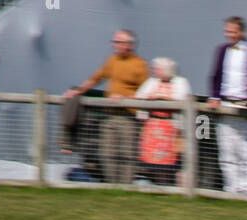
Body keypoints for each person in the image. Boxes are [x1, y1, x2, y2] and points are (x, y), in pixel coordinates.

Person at [64, 30, 149, 185]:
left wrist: (125, 99)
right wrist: (78, 90)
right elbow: (96, 78)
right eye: (114, 42)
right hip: (110, 115)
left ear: (129, 45)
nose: (114, 45)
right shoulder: (112, 60)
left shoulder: (140, 65)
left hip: (128, 118)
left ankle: (126, 187)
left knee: (126, 154)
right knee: (107, 152)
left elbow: (146, 92)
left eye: (118, 42)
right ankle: (112, 186)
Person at [207, 15, 247, 196]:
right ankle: (231, 188)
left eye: (233, 31)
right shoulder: (222, 50)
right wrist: (214, 97)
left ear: (242, 32)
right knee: (227, 150)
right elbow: (216, 76)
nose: (230, 35)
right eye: (228, 31)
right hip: (226, 105)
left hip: (246, 108)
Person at [135, 58, 191, 186]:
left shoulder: (180, 82)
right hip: (153, 126)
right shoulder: (152, 82)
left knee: (173, 162)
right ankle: (158, 186)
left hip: (172, 128)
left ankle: (173, 187)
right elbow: (140, 96)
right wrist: (152, 98)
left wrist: (162, 97)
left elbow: (182, 98)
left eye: (158, 69)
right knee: (153, 163)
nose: (155, 71)